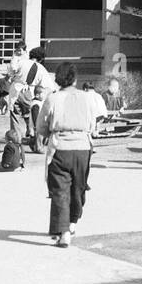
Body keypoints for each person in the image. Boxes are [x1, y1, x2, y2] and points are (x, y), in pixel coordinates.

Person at [37, 63, 99, 248]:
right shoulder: (88, 98)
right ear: (75, 79)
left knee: (60, 190)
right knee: (78, 188)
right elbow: (93, 124)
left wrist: (45, 137)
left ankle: (63, 232)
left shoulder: (52, 98)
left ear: (57, 80)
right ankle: (72, 223)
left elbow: (42, 125)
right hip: (82, 149)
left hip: (60, 148)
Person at [9, 47, 51, 148]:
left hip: (15, 90)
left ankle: (16, 142)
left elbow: (11, 71)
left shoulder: (21, 62)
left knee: (15, 117)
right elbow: (48, 86)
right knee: (33, 118)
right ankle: (35, 140)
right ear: (41, 59)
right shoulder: (41, 68)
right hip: (30, 93)